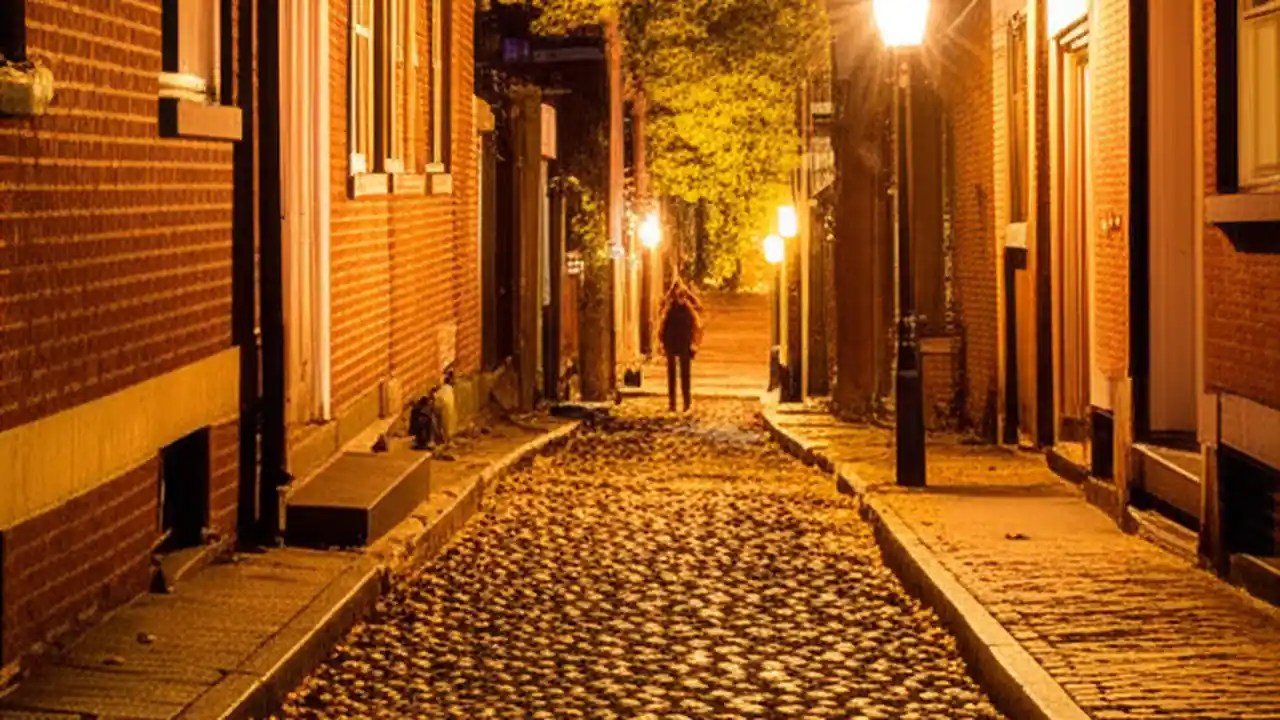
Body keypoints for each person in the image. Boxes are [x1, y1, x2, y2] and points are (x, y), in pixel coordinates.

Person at [659, 280, 703, 412]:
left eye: (683, 296)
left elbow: (697, 327)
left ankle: (686, 403)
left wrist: (694, 344)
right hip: (671, 344)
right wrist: (663, 343)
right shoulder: (669, 311)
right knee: (672, 376)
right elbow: (663, 328)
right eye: (679, 296)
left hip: (685, 345)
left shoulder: (689, 312)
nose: (681, 299)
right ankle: (672, 403)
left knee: (685, 375)